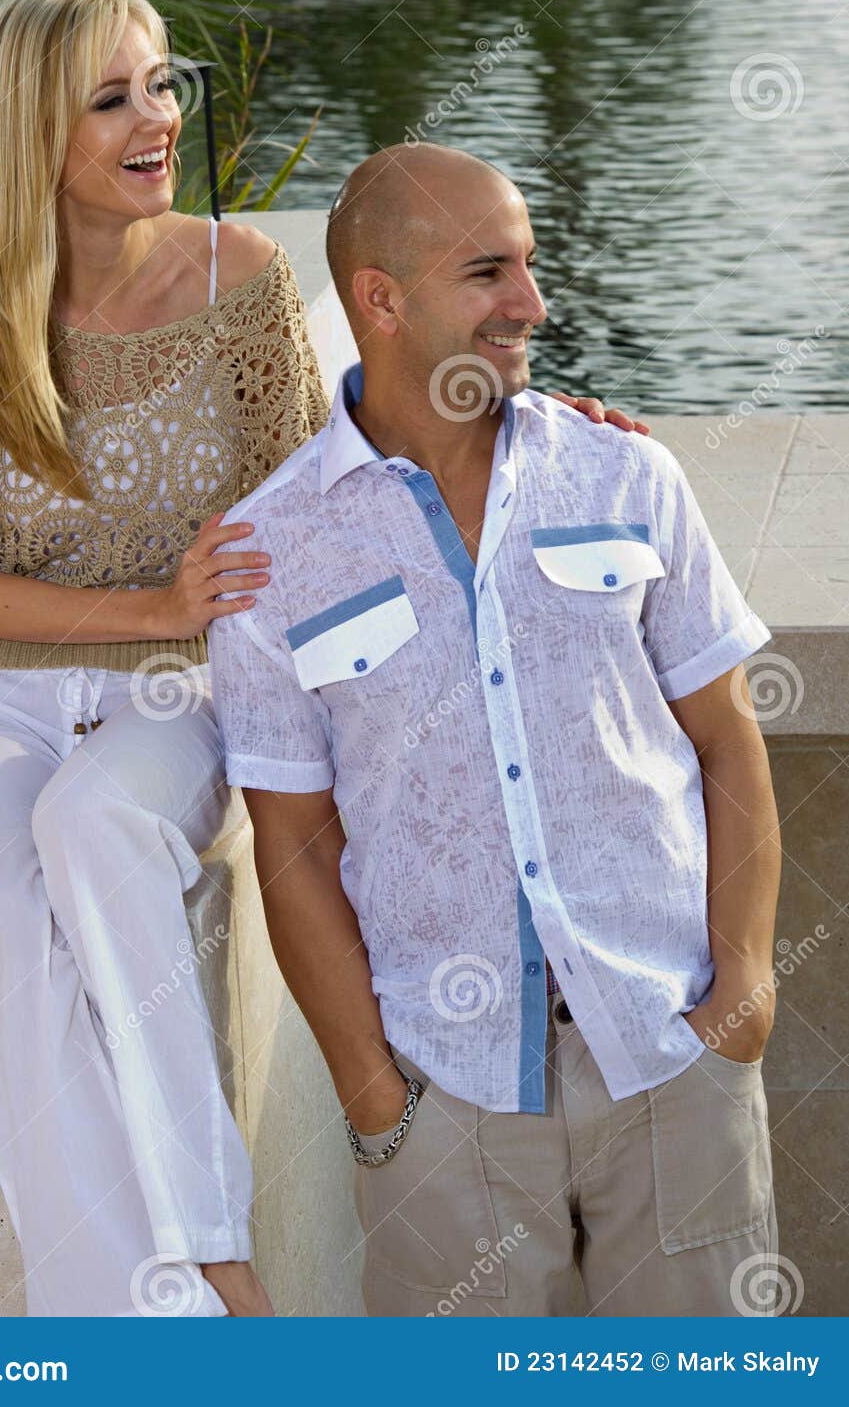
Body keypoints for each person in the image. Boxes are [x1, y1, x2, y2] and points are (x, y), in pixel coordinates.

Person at [0, 0, 641, 1317]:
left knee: (97, 831)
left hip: (185, 690)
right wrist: (155, 601)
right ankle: (147, 1321)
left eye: (161, 83)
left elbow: (331, 476)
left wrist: (513, 422)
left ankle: (214, 1245)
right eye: (111, 98)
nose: (156, 118)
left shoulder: (240, 279)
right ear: (25, 132)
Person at [207, 141, 782, 1318]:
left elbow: (728, 741)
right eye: (489, 273)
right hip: (445, 1102)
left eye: (526, 264)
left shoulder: (625, 477)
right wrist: (376, 1095)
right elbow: (294, 847)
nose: (532, 303)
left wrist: (745, 990)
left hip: (671, 1057)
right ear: (382, 298)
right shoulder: (272, 557)